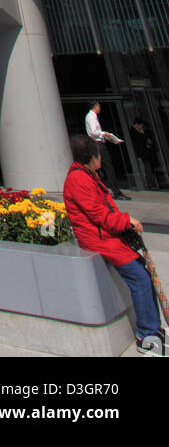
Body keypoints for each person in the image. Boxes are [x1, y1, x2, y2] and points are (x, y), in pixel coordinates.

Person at [64, 134, 164, 356]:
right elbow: (99, 215)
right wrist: (127, 220)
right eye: (99, 155)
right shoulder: (80, 179)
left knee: (143, 272)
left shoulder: (87, 175)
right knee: (139, 276)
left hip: (107, 236)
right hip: (99, 239)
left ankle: (153, 329)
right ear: (92, 157)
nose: (102, 160)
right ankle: (146, 334)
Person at [85, 101, 128, 198]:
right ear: (95, 107)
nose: (99, 108)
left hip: (98, 143)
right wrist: (104, 134)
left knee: (99, 167)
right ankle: (115, 191)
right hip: (97, 144)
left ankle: (101, 191)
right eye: (99, 106)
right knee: (107, 166)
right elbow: (93, 132)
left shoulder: (92, 116)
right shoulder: (91, 117)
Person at [130, 117, 159, 190]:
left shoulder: (143, 131)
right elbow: (138, 141)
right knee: (147, 167)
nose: (141, 127)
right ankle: (151, 184)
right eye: (140, 125)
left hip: (147, 151)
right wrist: (143, 135)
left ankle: (152, 183)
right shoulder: (133, 131)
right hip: (143, 152)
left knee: (150, 168)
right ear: (137, 124)